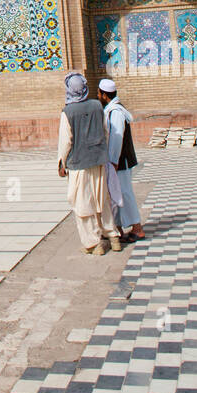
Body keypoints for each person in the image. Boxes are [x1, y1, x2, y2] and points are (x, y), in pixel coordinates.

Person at [57, 70, 121, 255]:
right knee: (102, 199)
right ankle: (113, 236)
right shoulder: (96, 106)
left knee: (83, 203)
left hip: (78, 165)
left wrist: (61, 163)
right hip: (98, 161)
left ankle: (94, 243)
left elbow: (65, 141)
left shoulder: (67, 112)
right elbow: (105, 132)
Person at [98, 78, 145, 241]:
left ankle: (137, 228)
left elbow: (116, 138)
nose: (98, 95)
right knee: (119, 194)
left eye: (99, 93)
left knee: (125, 193)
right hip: (118, 160)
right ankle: (119, 227)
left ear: (104, 95)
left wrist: (113, 161)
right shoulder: (114, 110)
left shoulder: (116, 112)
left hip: (120, 160)